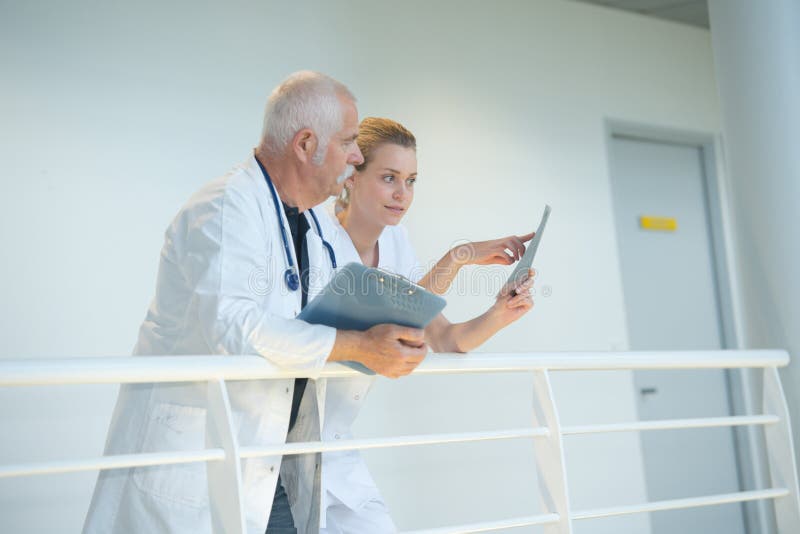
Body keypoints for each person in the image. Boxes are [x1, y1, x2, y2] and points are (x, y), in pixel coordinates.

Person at [83, 73, 430, 534]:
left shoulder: (317, 227)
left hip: (275, 462)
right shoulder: (226, 206)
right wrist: (359, 345)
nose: (356, 156)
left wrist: (389, 337)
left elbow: (325, 317)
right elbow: (235, 328)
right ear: (306, 144)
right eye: (348, 141)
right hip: (200, 457)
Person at [313, 117, 535, 533]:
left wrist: (499, 314)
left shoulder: (394, 241)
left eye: (411, 181)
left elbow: (443, 337)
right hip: (283, 432)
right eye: (389, 178)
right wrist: (458, 257)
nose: (403, 194)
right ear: (351, 175)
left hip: (334, 437)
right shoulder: (314, 234)